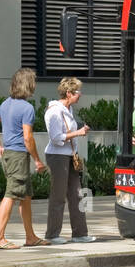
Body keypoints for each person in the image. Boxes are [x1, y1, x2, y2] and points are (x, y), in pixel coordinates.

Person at [0, 67, 48, 249]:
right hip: (19, 156)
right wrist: (37, 160)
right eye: (33, 81)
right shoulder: (27, 108)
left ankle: (30, 237)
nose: (35, 85)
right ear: (28, 84)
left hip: (9, 155)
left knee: (25, 196)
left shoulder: (6, 103)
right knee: (11, 195)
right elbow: (28, 138)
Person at [44, 77, 94, 245]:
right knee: (58, 196)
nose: (80, 95)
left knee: (77, 195)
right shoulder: (54, 112)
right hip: (57, 156)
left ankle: (80, 233)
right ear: (69, 93)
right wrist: (78, 133)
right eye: (78, 92)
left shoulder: (68, 110)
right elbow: (56, 139)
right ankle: (52, 234)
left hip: (69, 156)